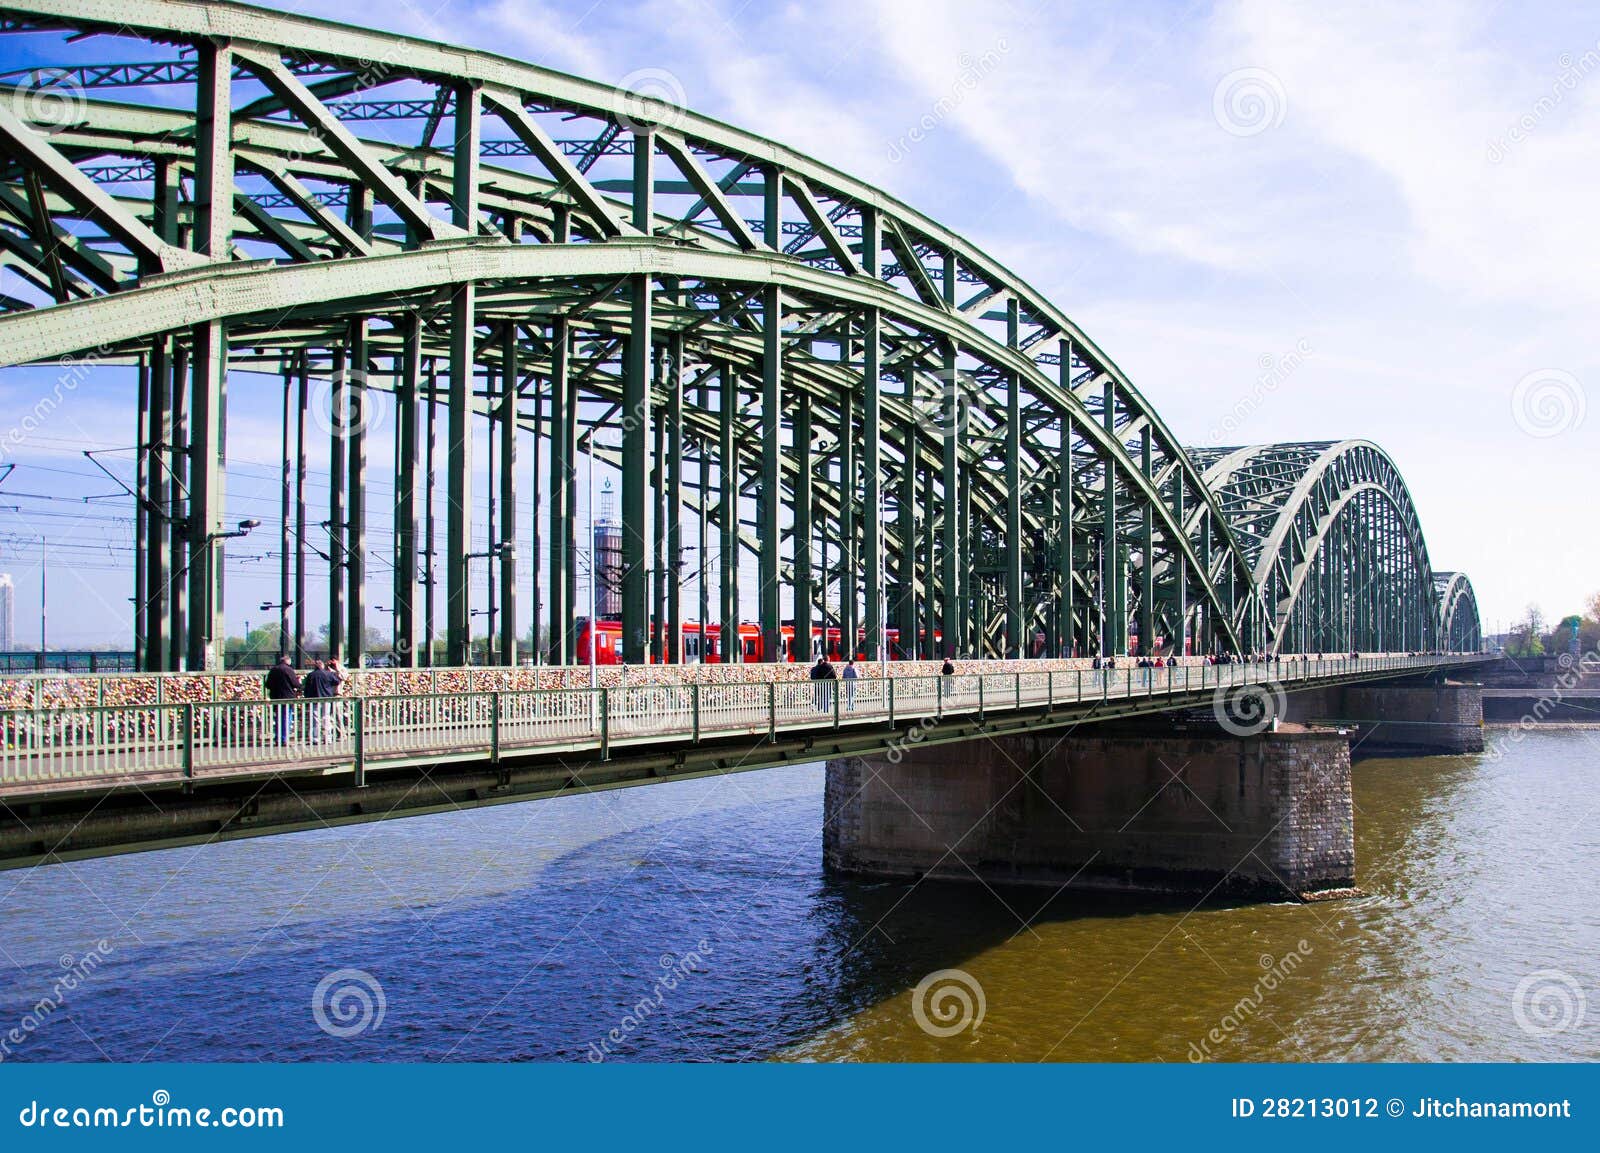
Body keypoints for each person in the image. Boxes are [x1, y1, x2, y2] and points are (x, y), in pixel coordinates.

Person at [265, 655, 301, 744]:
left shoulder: (273, 670)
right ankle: (284, 738)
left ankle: (278, 737)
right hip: (287, 697)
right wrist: (298, 681)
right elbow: (295, 684)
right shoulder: (289, 670)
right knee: (286, 718)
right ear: (288, 661)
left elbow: (268, 684)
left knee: (278, 718)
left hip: (275, 697)